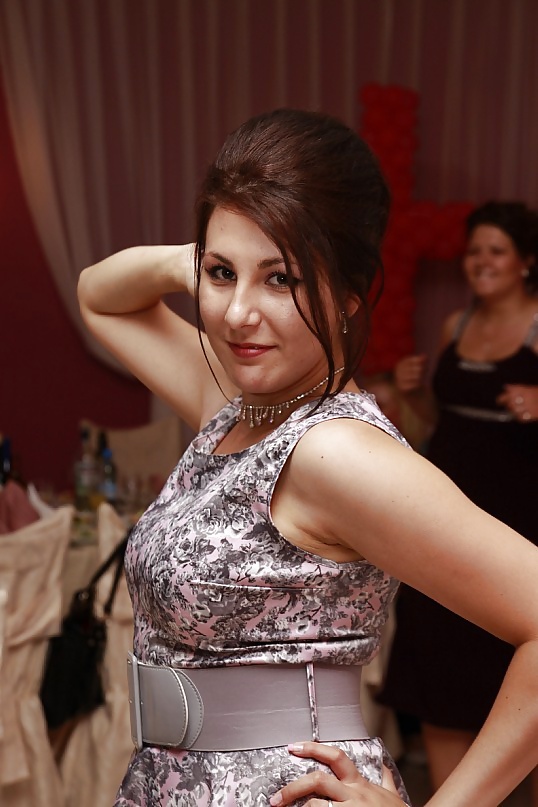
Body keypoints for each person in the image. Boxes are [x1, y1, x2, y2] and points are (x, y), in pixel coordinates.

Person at [77, 110, 538, 807]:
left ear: (348, 294)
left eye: (281, 279)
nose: (237, 313)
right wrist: (196, 260)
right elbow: (99, 297)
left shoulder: (337, 451)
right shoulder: (239, 405)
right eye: (222, 274)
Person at [377, 200, 538, 800]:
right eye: (474, 251)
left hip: (522, 523)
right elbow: (437, 427)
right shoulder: (456, 325)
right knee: (441, 662)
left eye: (496, 251)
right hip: (448, 520)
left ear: (526, 262)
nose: (481, 262)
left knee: (519, 662)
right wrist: (413, 396)